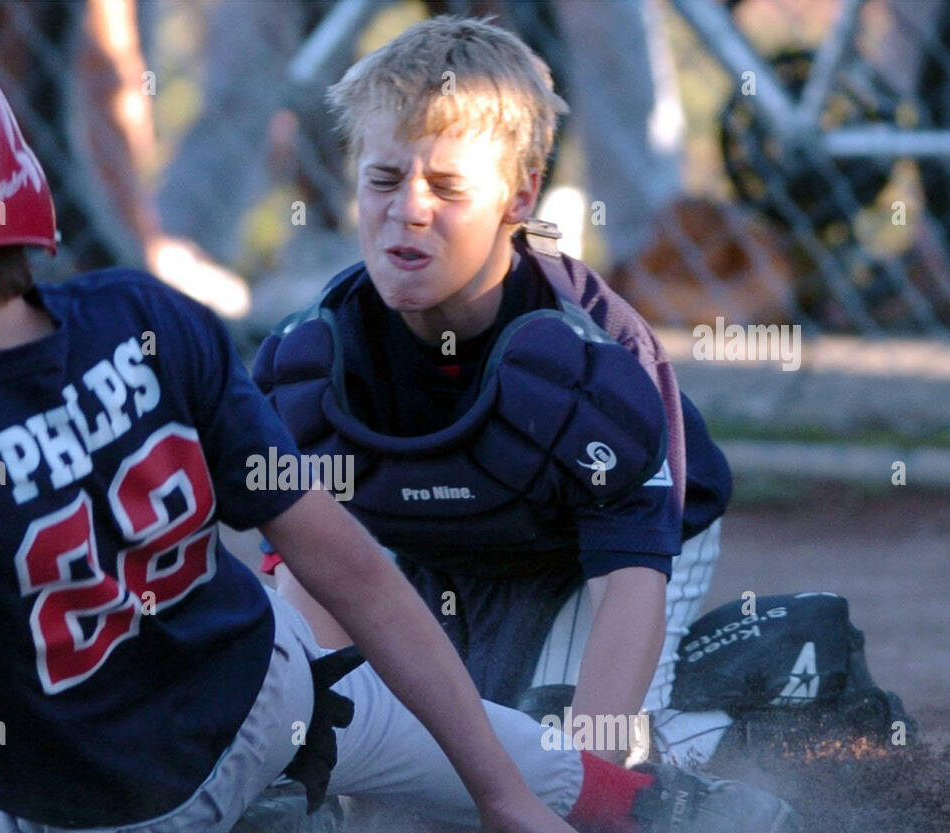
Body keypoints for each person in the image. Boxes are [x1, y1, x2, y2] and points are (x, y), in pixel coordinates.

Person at [0, 40, 798, 833]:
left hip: (91, 824)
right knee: (474, 736)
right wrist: (499, 787)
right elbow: (346, 566)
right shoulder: (152, 315)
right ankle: (688, 797)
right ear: (16, 180)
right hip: (272, 697)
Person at [252, 15, 736, 767]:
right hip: (439, 542)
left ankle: (756, 712)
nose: (407, 209)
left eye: (448, 187)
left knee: (551, 753)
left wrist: (590, 782)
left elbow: (628, 578)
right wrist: (318, 748)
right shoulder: (314, 360)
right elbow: (312, 571)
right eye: (383, 178)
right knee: (353, 756)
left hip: (597, 558)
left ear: (519, 197)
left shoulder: (592, 360)